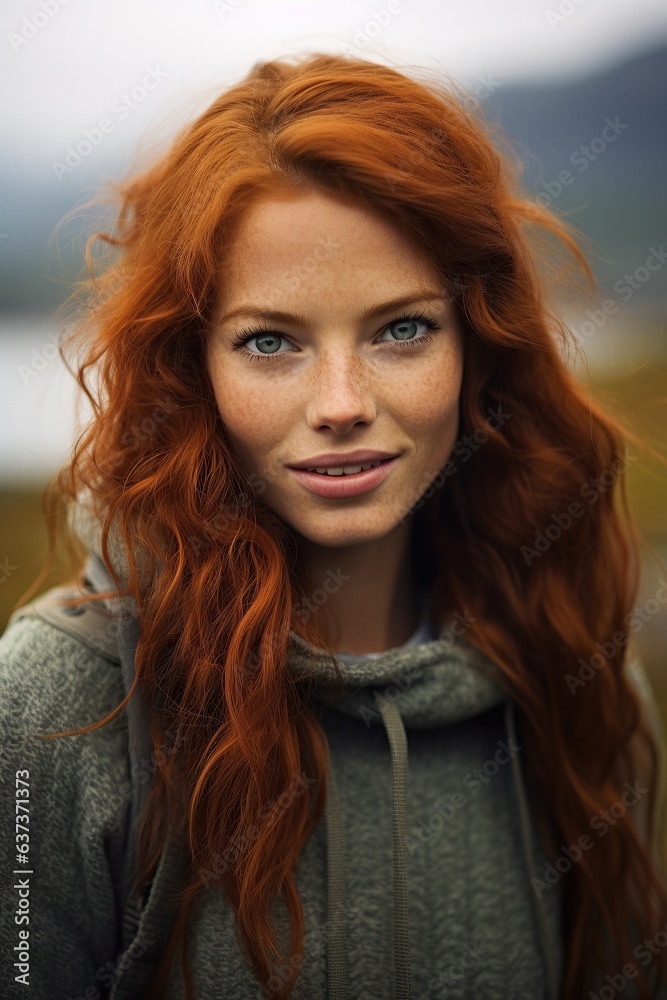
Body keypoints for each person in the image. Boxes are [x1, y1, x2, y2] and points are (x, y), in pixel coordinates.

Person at [1, 51, 666, 1000]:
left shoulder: (568, 657)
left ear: (480, 342)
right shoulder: (60, 707)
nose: (342, 403)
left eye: (401, 329)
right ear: (196, 371)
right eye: (270, 342)